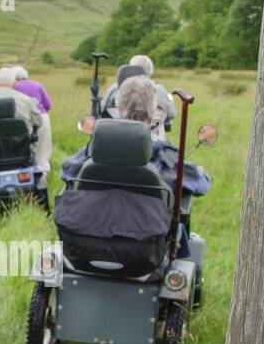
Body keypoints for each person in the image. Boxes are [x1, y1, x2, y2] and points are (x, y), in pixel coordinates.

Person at [62, 75, 210, 253]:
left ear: (118, 106)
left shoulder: (95, 149)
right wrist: (199, 171)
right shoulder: (163, 156)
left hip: (86, 245)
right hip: (145, 251)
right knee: (183, 198)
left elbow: (67, 171)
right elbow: (202, 185)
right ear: (153, 109)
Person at [100, 54, 175, 127]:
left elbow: (101, 108)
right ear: (151, 71)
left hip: (117, 130)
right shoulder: (159, 89)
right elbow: (171, 113)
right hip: (152, 131)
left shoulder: (115, 88)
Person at [12, 65, 54, 170]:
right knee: (43, 150)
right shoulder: (37, 85)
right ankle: (43, 174)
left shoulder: (14, 87)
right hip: (42, 117)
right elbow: (48, 105)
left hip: (22, 120)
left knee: (24, 149)